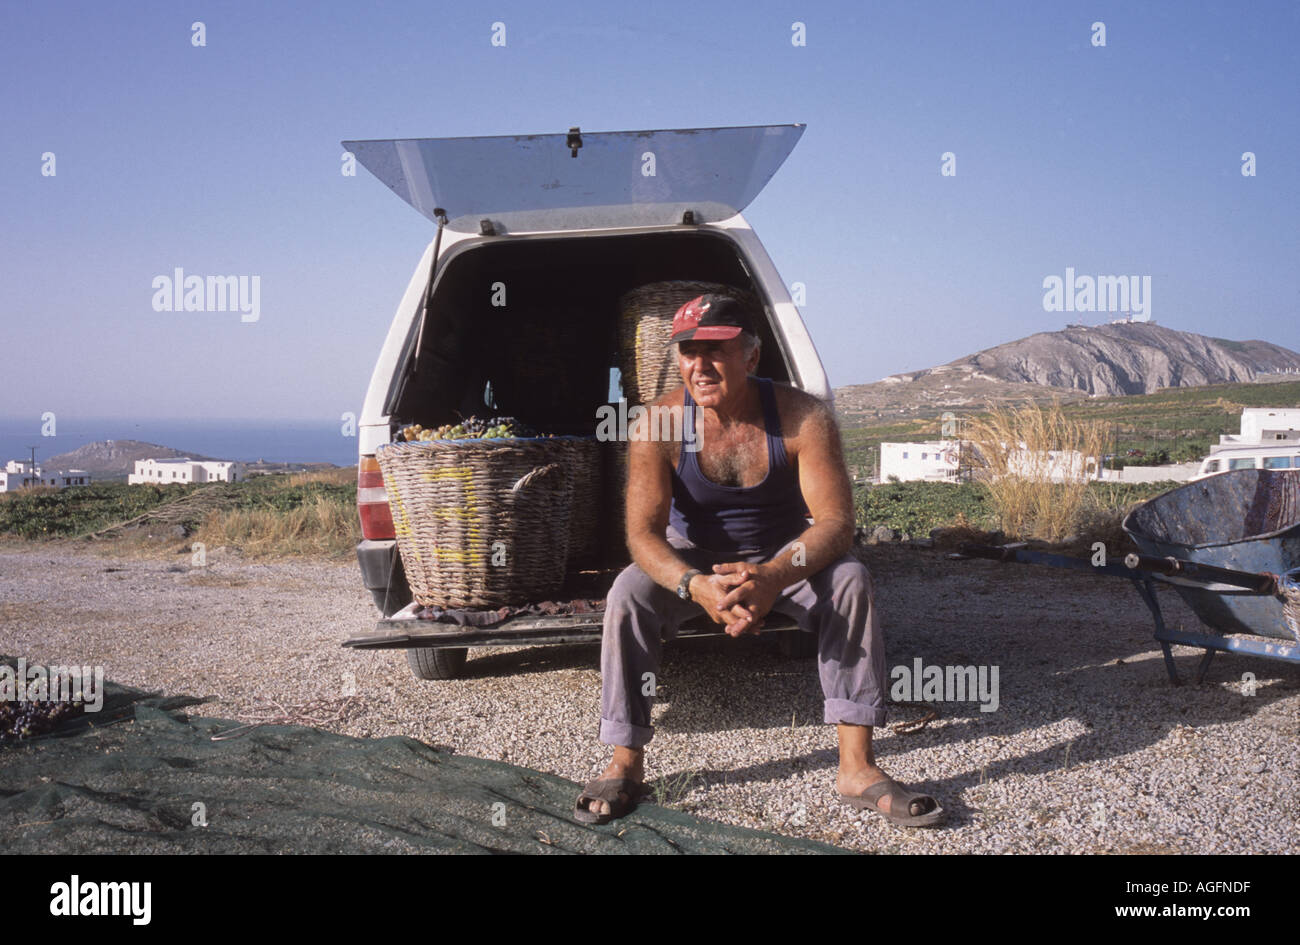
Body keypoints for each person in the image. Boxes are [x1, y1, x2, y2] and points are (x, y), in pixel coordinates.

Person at [573, 293, 944, 828]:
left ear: (751, 356)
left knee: (851, 580)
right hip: (694, 560)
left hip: (784, 556)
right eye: (688, 352)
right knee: (629, 591)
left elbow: (836, 523)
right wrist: (694, 584)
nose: (700, 366)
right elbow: (642, 533)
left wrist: (772, 576)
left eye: (716, 351)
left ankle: (857, 768)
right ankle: (625, 761)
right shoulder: (656, 423)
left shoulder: (802, 417)